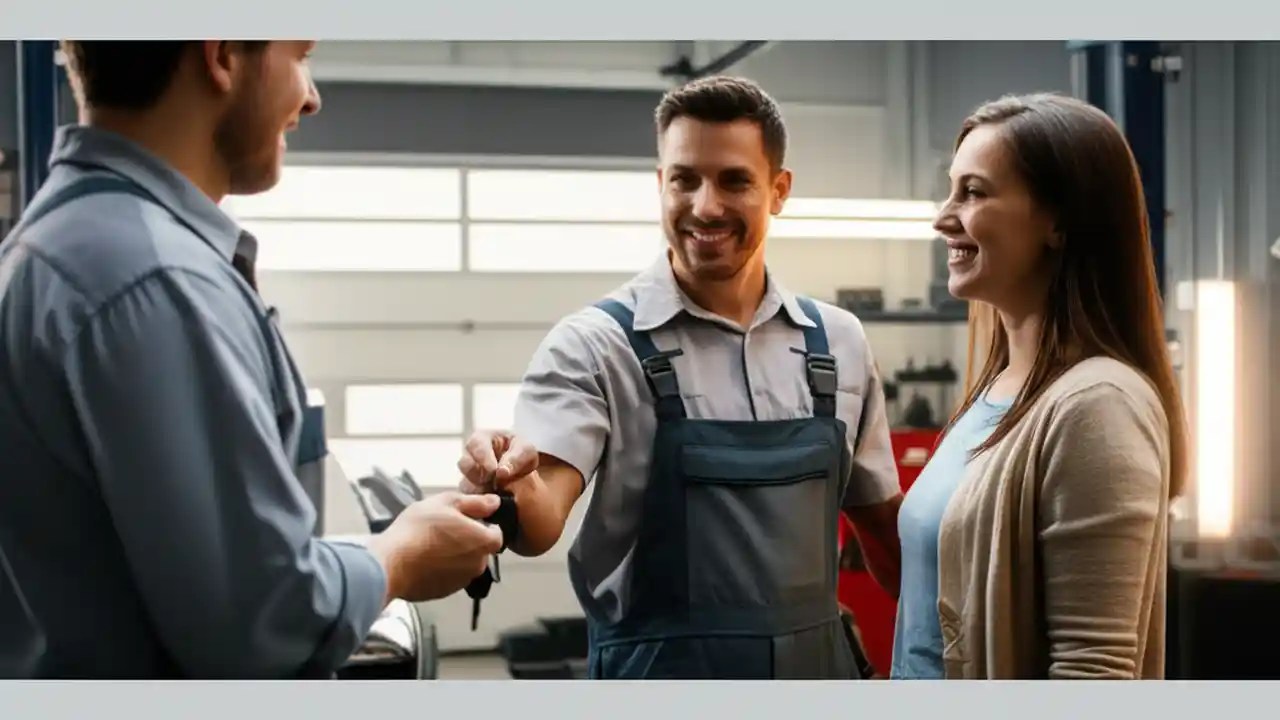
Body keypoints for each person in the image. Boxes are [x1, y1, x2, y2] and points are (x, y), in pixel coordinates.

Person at [0, 41, 503, 679]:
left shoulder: (58, 250)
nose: (312, 97)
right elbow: (265, 618)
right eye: (299, 56)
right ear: (222, 55)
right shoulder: (157, 281)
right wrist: (400, 557)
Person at [457, 75, 904, 680]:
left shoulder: (839, 343)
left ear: (779, 190)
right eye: (684, 178)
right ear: (660, 184)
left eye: (734, 180)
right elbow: (540, 521)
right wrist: (511, 480)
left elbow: (887, 536)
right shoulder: (595, 345)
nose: (705, 206)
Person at [889, 92, 1189, 680]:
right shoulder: (996, 389)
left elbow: (1092, 671)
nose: (942, 217)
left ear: (1058, 221)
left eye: (973, 192)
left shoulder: (1097, 407)